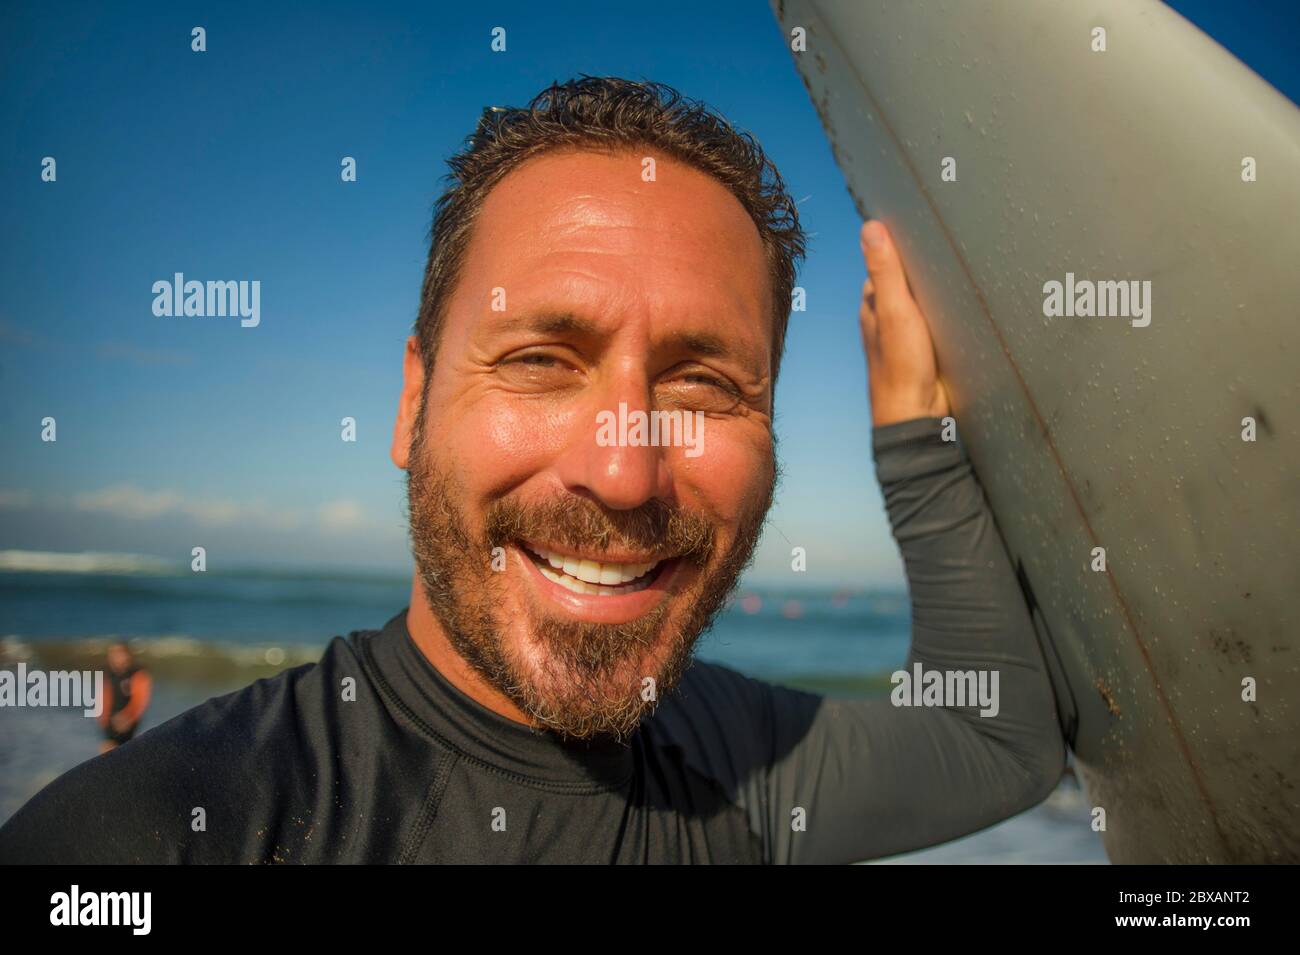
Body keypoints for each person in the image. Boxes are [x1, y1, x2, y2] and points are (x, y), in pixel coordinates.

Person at [0, 77, 1065, 864]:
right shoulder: (153, 838)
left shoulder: (738, 762)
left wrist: (917, 438)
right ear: (413, 404)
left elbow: (997, 741)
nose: (622, 471)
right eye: (542, 361)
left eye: (701, 386)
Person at [97, 641, 153, 754]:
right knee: (106, 749)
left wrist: (128, 716)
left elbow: (140, 700)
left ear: (128, 655)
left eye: (119, 653)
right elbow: (104, 697)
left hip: (128, 720)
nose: (116, 657)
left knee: (124, 751)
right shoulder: (107, 673)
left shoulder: (138, 674)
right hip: (110, 720)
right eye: (112, 654)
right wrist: (103, 717)